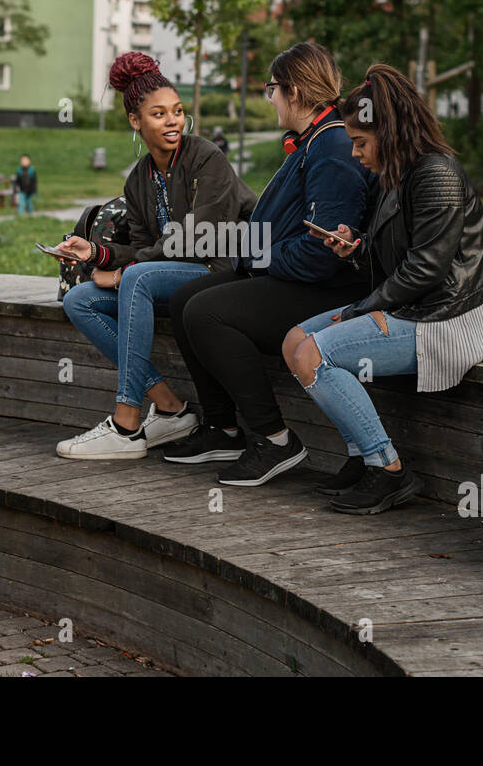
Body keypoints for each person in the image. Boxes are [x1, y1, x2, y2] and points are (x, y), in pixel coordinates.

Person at [281, 62, 483, 515]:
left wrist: (364, 308)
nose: (355, 154)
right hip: (413, 307)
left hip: (445, 320)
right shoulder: (397, 175)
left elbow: (427, 267)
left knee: (312, 354)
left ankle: (390, 470)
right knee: (294, 341)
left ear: (389, 131)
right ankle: (362, 456)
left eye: (360, 142)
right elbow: (401, 257)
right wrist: (355, 248)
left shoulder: (436, 174)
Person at [162, 42, 379, 486]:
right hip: (295, 275)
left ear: (294, 91)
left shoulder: (334, 144)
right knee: (186, 298)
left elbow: (322, 250)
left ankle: (275, 439)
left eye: (272, 89)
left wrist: (255, 258)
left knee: (207, 311)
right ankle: (222, 429)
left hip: (329, 288)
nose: (271, 98)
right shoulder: (315, 141)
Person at [52, 52, 257, 460]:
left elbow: (203, 236)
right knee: (80, 300)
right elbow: (144, 246)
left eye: (178, 112)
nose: (173, 121)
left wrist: (127, 270)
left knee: (138, 278)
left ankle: (126, 425)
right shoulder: (139, 179)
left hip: (227, 270)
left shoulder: (206, 158)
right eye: (159, 114)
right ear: (136, 121)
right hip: (174, 278)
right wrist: (97, 252)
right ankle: (169, 406)